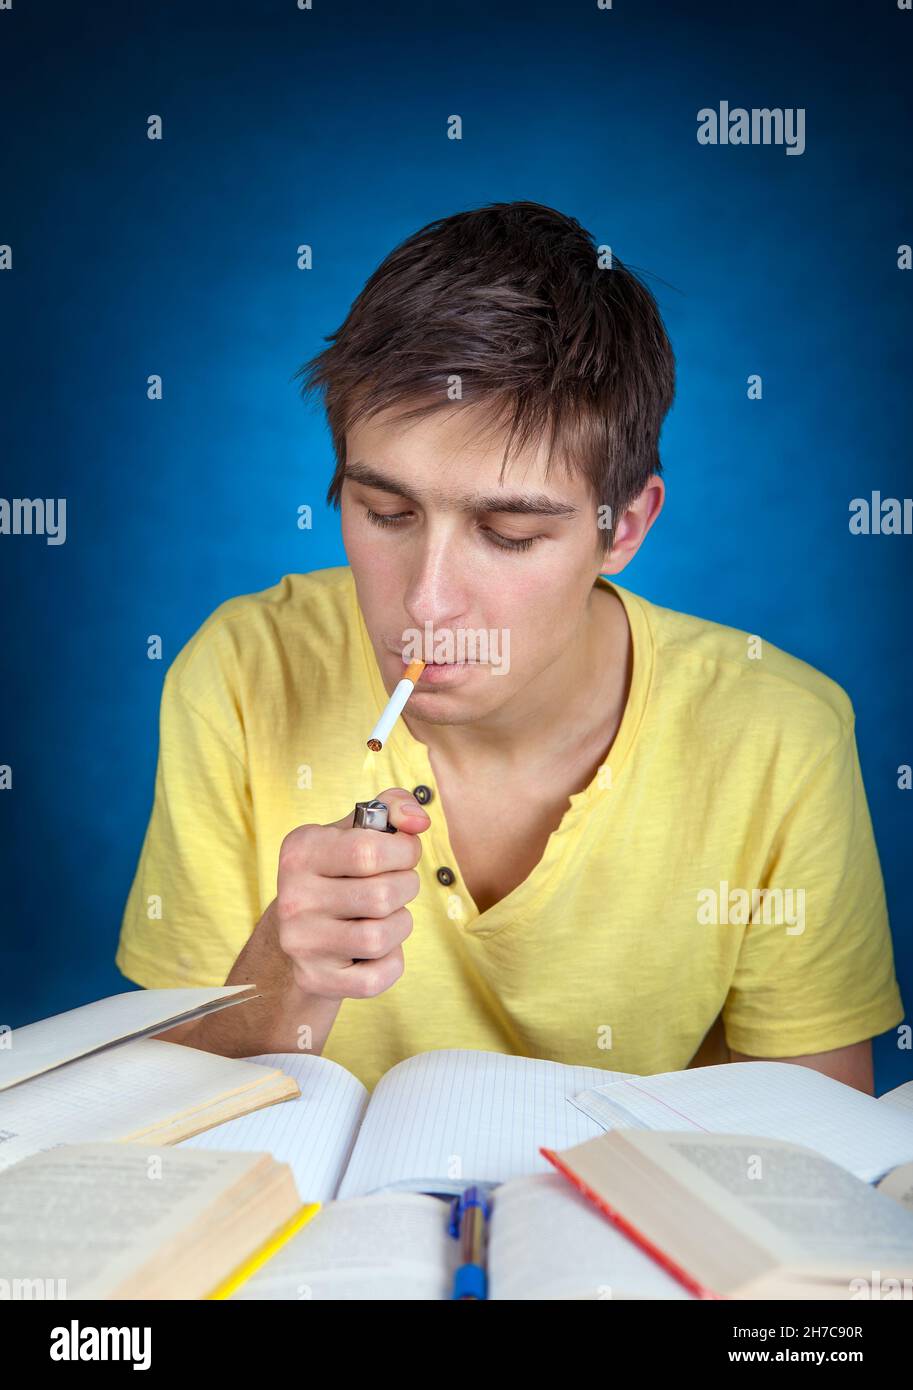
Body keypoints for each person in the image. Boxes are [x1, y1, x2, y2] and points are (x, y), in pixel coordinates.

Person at [116, 200, 904, 1094]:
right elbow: (166, 1139)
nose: (426, 600)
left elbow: (815, 1158)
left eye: (510, 531)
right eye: (386, 514)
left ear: (623, 528)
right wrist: (281, 975)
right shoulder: (241, 675)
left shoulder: (777, 734)